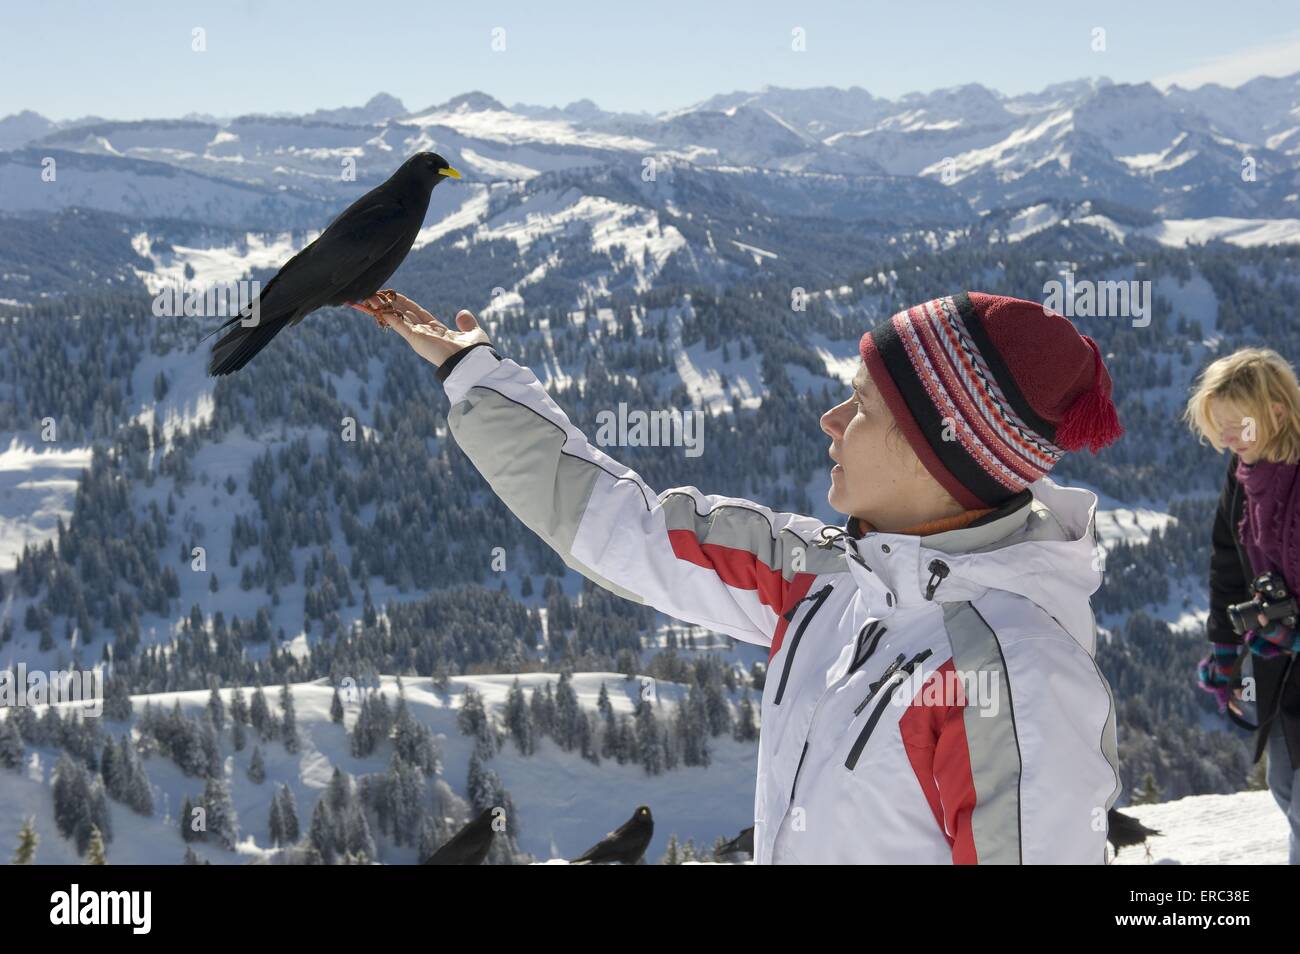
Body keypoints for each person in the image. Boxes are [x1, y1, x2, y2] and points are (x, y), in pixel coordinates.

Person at [352, 288, 1125, 864]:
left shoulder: (1010, 679)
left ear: (936, 450)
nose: (829, 421)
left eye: (860, 406)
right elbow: (622, 525)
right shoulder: (822, 577)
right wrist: (473, 374)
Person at [1186, 347, 1300, 864]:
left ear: (1278, 412)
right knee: (1284, 785)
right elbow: (1228, 566)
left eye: (1238, 425)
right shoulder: (1243, 477)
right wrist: (1226, 649)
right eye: (1220, 427)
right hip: (1280, 663)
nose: (1227, 439)